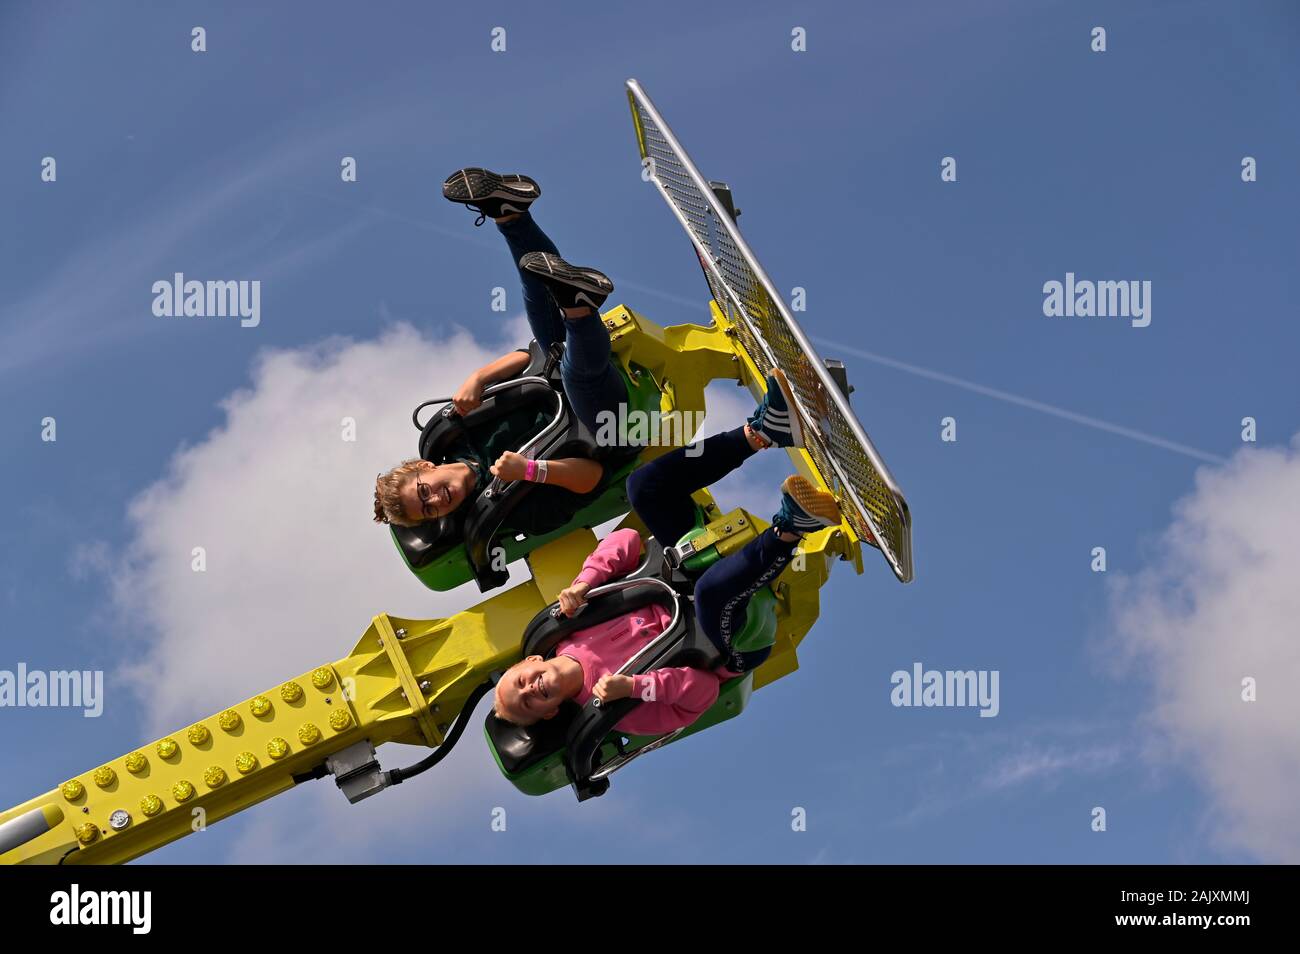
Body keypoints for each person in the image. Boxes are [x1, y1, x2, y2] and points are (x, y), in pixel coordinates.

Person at [492, 370, 843, 736]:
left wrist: (585, 583)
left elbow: (626, 540)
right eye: (530, 703)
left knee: (643, 487)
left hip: (682, 573)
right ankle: (794, 526)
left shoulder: (568, 626)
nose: (532, 690)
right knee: (709, 591)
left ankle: (764, 431)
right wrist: (634, 687)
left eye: (522, 683)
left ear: (530, 661)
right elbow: (702, 693)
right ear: (550, 713)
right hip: (728, 640)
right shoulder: (615, 712)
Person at [373, 168, 633, 535]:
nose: (435, 501)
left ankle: (509, 211)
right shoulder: (505, 512)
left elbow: (526, 360)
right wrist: (529, 471)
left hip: (559, 372)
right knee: (577, 374)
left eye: (424, 492)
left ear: (425, 468)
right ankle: (578, 307)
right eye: (429, 511)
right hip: (608, 427)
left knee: (539, 303)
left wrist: (479, 377)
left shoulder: (459, 433)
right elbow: (592, 476)